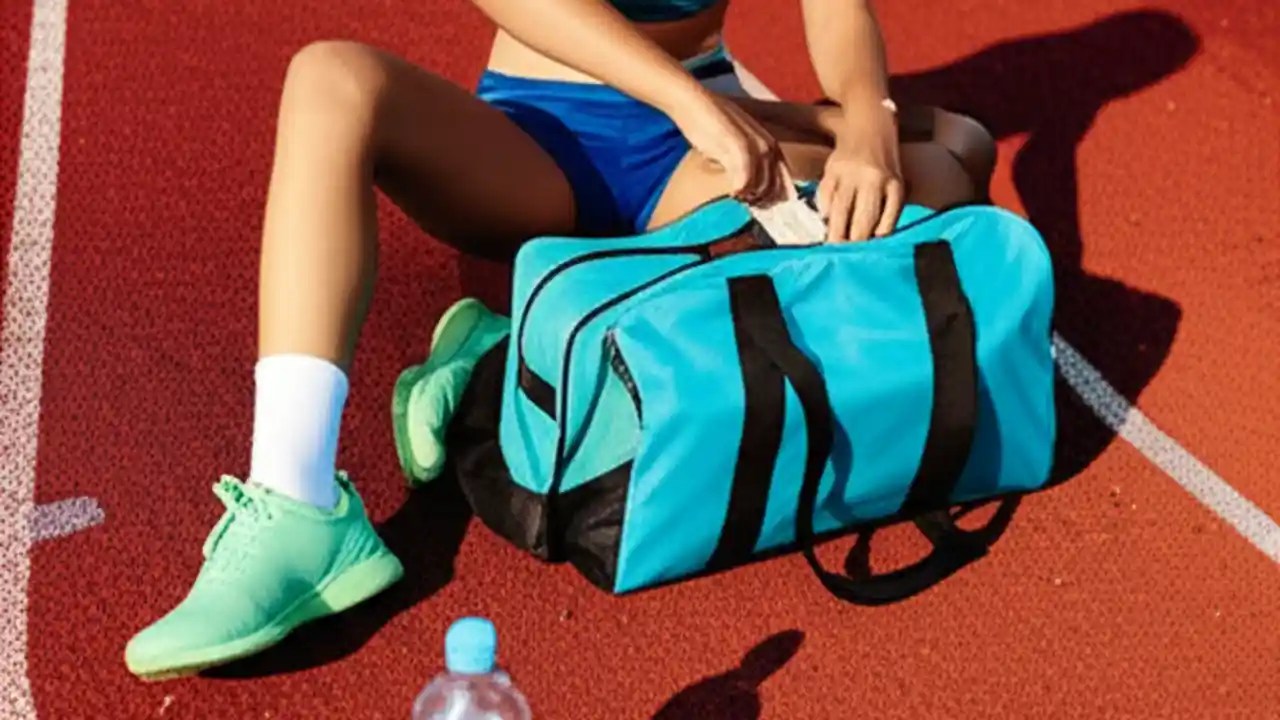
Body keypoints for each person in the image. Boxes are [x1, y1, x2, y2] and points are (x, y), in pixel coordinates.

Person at [124, 0, 995, 679]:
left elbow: (837, 10)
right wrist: (686, 100)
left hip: (693, 157)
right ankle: (296, 502)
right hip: (541, 142)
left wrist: (871, 123)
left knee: (954, 156)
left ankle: (500, 353)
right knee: (330, 80)